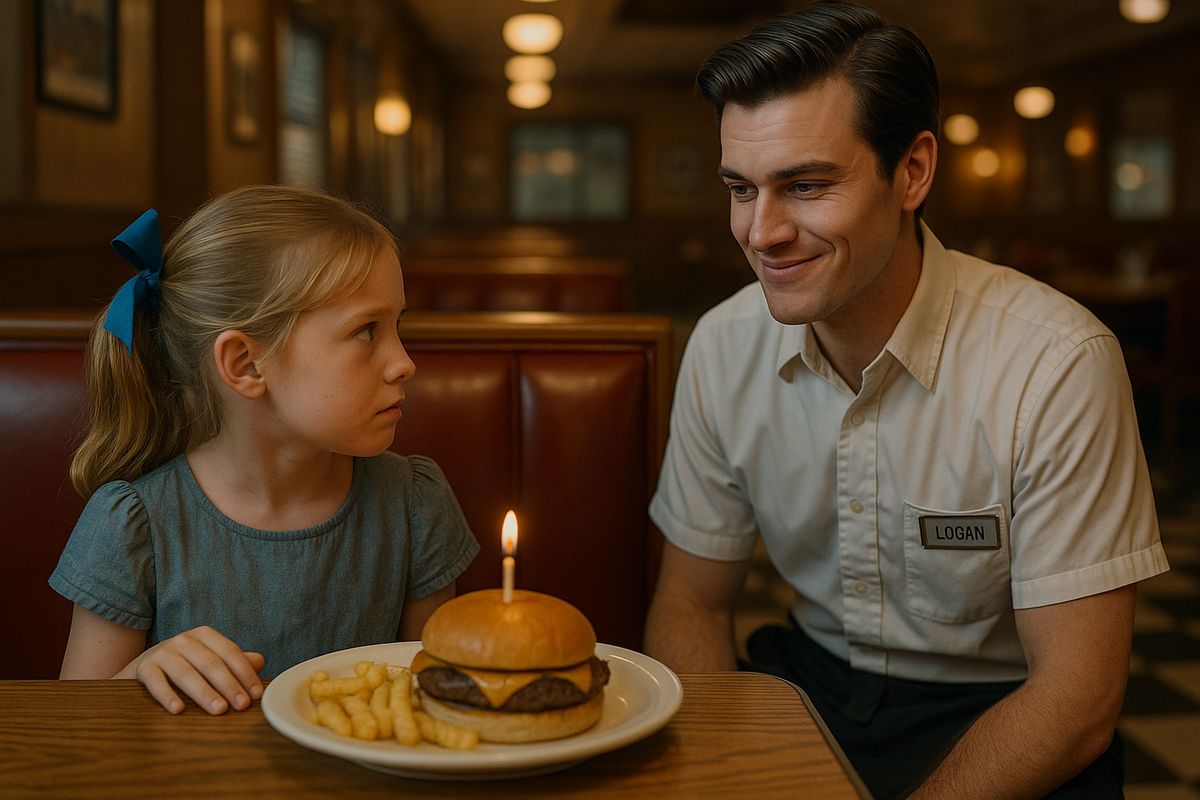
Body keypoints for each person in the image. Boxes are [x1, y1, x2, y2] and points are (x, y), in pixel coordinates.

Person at [643, 3, 1169, 798]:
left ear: (914, 172)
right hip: (807, 684)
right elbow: (689, 602)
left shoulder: (1058, 363)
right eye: (741, 189)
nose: (762, 232)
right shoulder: (721, 345)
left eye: (807, 185)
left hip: (1009, 711)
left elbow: (1078, 699)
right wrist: (723, 773)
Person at [51, 185, 479, 716]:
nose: (404, 362)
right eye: (367, 331)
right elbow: (74, 724)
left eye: (398, 326)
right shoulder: (132, 524)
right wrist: (140, 672)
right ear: (247, 365)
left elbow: (438, 701)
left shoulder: (415, 503)